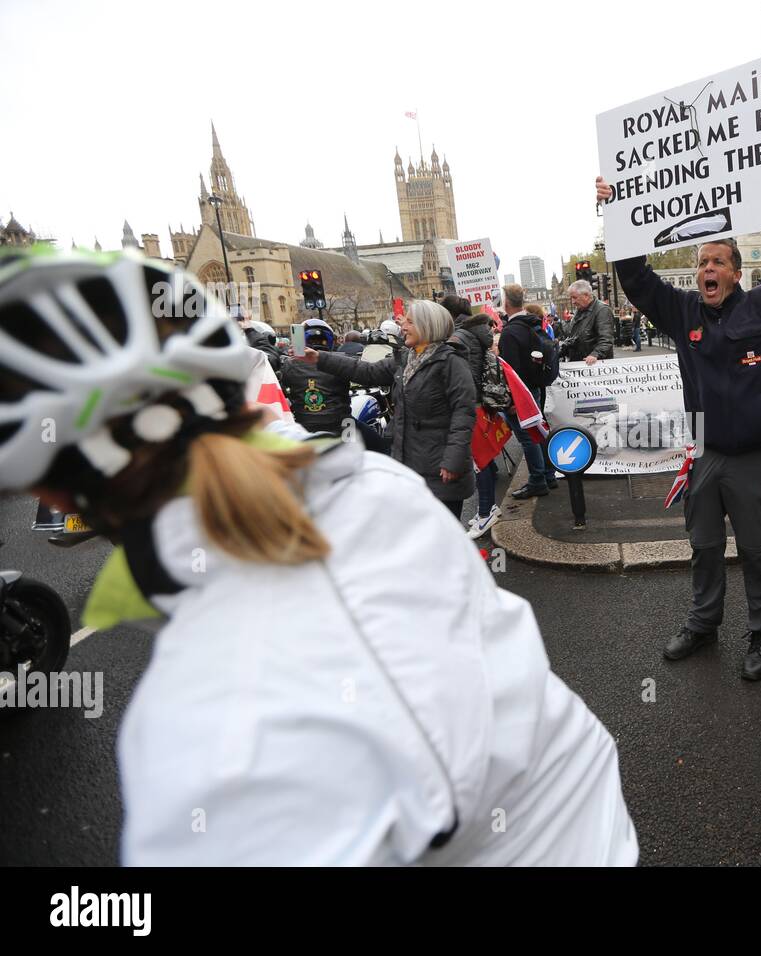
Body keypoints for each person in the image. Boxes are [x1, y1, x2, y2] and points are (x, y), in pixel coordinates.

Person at [0, 248, 638, 865]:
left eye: (410, 320)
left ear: (47, 489)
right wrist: (326, 361)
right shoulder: (378, 490)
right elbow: (353, 388)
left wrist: (448, 461)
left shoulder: (207, 734)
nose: (402, 326)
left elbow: (461, 409)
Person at [597, 156, 761, 681]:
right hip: (705, 448)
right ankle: (704, 622)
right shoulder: (682, 310)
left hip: (753, 454)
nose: (707, 269)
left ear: (735, 272)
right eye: (701, 261)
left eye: (716, 262)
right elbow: (637, 280)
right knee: (703, 546)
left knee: (757, 551)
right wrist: (617, 216)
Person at [300, 300, 477, 520]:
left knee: (442, 539)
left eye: (410, 322)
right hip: (410, 465)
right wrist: (320, 358)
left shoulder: (452, 363)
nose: (403, 326)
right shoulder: (406, 358)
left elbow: (464, 413)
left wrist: (453, 461)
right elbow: (365, 371)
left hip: (439, 469)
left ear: (428, 326)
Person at [445, 294, 503, 537]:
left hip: (471, 403)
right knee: (484, 459)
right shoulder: (474, 332)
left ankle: (486, 511)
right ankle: (487, 508)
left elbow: (460, 376)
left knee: (480, 461)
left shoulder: (458, 337)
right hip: (480, 401)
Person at [497, 284, 557, 499]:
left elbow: (513, 371)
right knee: (538, 432)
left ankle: (537, 480)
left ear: (506, 303)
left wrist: (514, 401)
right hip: (535, 387)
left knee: (528, 437)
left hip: (522, 392)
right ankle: (549, 474)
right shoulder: (533, 324)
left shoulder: (511, 332)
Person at [278, 317, 352, 437]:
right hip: (342, 424)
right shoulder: (341, 360)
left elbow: (283, 389)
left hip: (304, 426)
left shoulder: (289, 364)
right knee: (378, 444)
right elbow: (362, 374)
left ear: (301, 340)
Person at [564, 280, 615, 365]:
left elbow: (606, 339)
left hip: (594, 365)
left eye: (575, 297)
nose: (573, 301)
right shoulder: (580, 310)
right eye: (571, 298)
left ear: (586, 296)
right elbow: (574, 335)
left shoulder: (602, 310)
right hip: (579, 363)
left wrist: (595, 354)